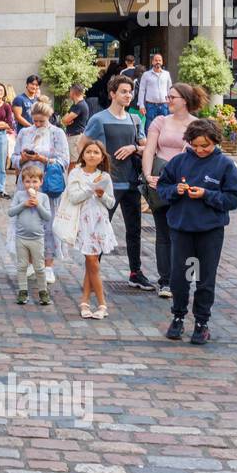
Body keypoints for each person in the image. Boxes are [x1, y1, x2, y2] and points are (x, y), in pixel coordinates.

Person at [156, 118, 237, 346]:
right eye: (195, 145)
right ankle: (178, 316)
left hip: (210, 231)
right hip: (181, 228)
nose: (200, 150)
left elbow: (234, 198)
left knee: (205, 278)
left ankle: (202, 322)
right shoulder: (178, 162)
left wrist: (207, 194)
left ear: (215, 141)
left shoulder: (225, 165)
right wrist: (176, 190)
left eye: (205, 145)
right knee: (180, 277)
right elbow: (162, 188)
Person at [83, 74, 153, 290]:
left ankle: (135, 272)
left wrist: (135, 148)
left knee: (134, 230)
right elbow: (83, 146)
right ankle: (92, 277)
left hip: (131, 182)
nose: (128, 95)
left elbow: (147, 147)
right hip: (109, 184)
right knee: (100, 229)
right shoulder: (99, 119)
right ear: (113, 94)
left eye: (130, 92)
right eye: (123, 91)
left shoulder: (135, 119)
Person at [142, 82, 205, 299]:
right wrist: (148, 175)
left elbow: (200, 155)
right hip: (161, 183)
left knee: (190, 234)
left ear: (184, 100)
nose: (168, 101)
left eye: (172, 97)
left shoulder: (197, 125)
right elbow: (150, 149)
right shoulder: (160, 121)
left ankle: (190, 278)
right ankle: (166, 281)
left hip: (187, 184)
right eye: (168, 97)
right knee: (163, 233)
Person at [12, 99, 68, 284]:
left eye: (41, 121)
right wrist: (22, 158)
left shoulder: (57, 133)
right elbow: (13, 158)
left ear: (49, 117)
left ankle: (48, 265)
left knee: (48, 223)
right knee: (27, 222)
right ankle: (30, 263)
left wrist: (42, 159)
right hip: (26, 184)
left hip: (48, 186)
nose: (37, 124)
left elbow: (64, 161)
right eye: (34, 120)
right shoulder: (24, 132)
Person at [65, 139, 116, 319]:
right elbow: (73, 197)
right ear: (83, 155)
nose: (92, 155)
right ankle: (102, 304)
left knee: (91, 263)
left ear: (102, 157)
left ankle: (85, 301)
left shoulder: (105, 176)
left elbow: (111, 203)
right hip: (83, 222)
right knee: (93, 262)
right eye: (88, 152)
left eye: (96, 152)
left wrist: (102, 195)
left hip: (99, 222)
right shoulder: (76, 173)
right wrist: (90, 189)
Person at [9, 163, 52, 305]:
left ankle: (43, 291)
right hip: (21, 238)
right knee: (22, 266)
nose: (31, 185)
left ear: (41, 182)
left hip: (37, 238)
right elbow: (11, 212)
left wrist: (38, 204)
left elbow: (47, 216)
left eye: (34, 181)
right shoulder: (19, 196)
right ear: (23, 182)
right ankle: (22, 291)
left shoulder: (44, 197)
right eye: (27, 181)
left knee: (39, 267)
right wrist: (24, 204)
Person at [136, 53, 173, 131]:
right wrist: (141, 105)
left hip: (164, 106)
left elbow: (170, 89)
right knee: (150, 128)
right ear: (152, 62)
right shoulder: (146, 75)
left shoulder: (166, 74)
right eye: (156, 60)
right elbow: (142, 90)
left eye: (159, 60)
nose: (158, 62)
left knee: (165, 127)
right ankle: (149, 143)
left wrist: (171, 102)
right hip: (150, 106)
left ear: (162, 62)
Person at [61, 82, 90, 159]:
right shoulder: (75, 105)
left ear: (73, 92)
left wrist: (66, 121)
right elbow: (63, 120)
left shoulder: (79, 106)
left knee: (73, 162)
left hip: (75, 137)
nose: (69, 93)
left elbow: (66, 119)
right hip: (73, 136)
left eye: (70, 91)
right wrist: (65, 121)